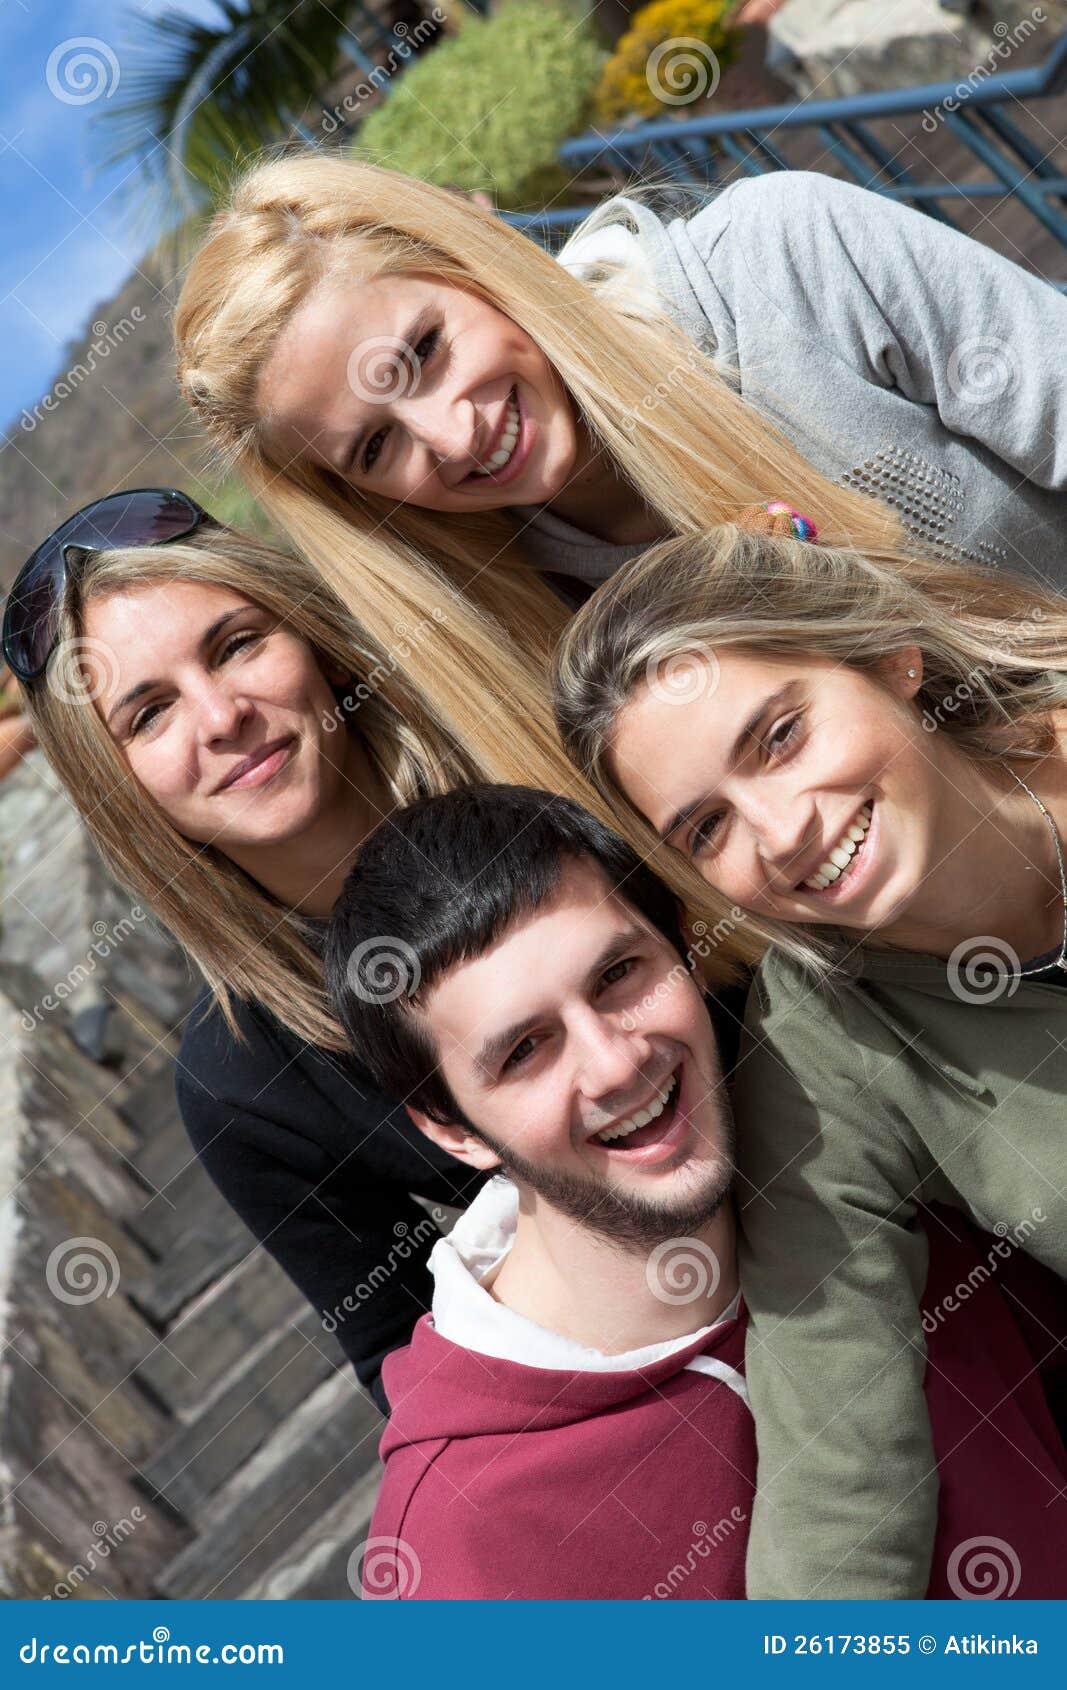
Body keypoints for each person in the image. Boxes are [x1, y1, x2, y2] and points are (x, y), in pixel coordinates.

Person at [323, 782, 1067, 1600]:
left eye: (617, 975)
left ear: (686, 944)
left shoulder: (873, 1125)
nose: (614, 1063)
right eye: (525, 1050)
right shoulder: (461, 1566)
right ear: (448, 1128)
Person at [172, 155, 1067, 801]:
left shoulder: (779, 259)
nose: (451, 434)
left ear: (470, 251)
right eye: (374, 449)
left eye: (424, 350)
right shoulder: (527, 631)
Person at [551, 519, 1067, 1597]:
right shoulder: (816, 1058)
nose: (780, 832)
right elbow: (837, 1465)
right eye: (704, 829)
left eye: (777, 737)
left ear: (886, 655)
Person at [0, 488, 507, 1410]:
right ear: (120, 791)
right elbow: (410, 1364)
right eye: (148, 713)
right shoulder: (239, 1077)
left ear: (310, 636)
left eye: (237, 645)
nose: (221, 715)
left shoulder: (524, 741)